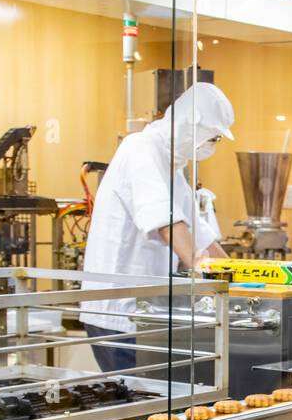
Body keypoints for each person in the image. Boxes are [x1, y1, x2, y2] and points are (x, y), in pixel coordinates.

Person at [81, 82, 234, 372]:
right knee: (139, 408)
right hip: (117, 315)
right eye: (213, 138)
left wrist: (237, 275)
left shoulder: (172, 164)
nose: (213, 146)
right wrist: (204, 267)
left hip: (143, 313)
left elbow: (198, 230)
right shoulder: (141, 149)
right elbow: (166, 221)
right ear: (192, 126)